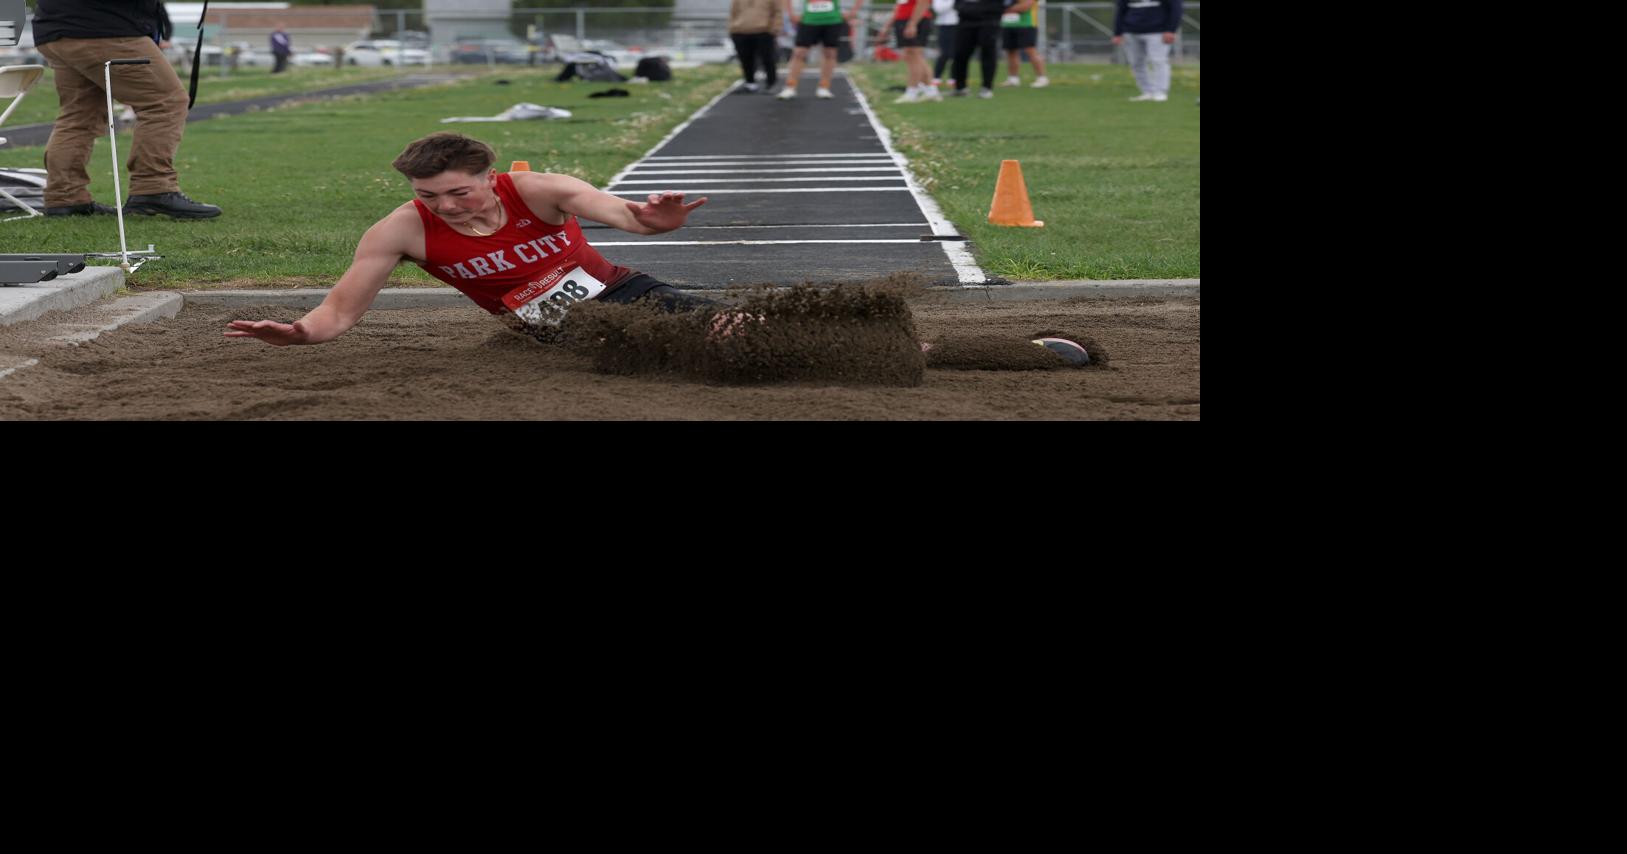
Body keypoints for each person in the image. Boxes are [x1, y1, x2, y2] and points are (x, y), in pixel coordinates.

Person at [225, 133, 712, 347]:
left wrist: (657, 220)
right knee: (649, 349)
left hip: (622, 290)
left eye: (460, 192)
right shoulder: (401, 230)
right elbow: (339, 311)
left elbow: (628, 217)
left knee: (721, 324)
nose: (447, 207)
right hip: (553, 328)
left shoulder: (540, 190)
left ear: (491, 178)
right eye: (428, 195)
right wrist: (301, 332)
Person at [31, 0, 221, 218]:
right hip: (107, 28)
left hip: (57, 29)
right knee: (165, 102)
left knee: (80, 115)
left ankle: (65, 197)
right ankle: (153, 188)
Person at [776, 0, 864, 100]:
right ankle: (790, 86)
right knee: (799, 53)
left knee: (830, 53)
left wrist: (853, 12)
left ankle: (824, 87)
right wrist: (790, 13)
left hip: (832, 21)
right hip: (809, 20)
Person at [1113, 0, 1181, 102]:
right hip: (1131, 31)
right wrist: (1117, 33)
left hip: (1158, 31)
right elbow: (1121, 9)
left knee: (1158, 61)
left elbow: (1176, 9)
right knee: (1136, 63)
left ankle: (1160, 92)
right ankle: (1147, 92)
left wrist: (1171, 30)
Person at [949, 0, 1003, 99]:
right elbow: (957, 4)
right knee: (960, 54)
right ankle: (960, 88)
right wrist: (964, 8)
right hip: (965, 22)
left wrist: (980, 9)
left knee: (987, 54)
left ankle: (986, 88)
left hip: (988, 22)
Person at [729, 0, 782, 93]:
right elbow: (733, 12)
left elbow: (777, 12)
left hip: (764, 31)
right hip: (741, 31)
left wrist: (775, 28)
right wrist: (732, 28)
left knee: (767, 58)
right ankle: (750, 84)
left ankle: (771, 83)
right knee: (745, 59)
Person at [894, 0, 939, 103]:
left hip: (914, 19)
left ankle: (912, 92)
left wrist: (912, 23)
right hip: (905, 19)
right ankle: (930, 90)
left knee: (913, 55)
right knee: (913, 56)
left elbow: (923, 2)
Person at [1000, 0, 1047, 88]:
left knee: (1030, 51)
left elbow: (1025, 6)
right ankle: (1013, 79)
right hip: (1008, 24)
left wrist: (1006, 9)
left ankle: (1041, 78)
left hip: (1027, 25)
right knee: (1011, 52)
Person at [929, 0, 958, 88]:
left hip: (959, 25)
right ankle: (936, 78)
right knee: (945, 53)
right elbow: (938, 9)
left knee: (956, 54)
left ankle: (953, 78)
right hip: (944, 26)